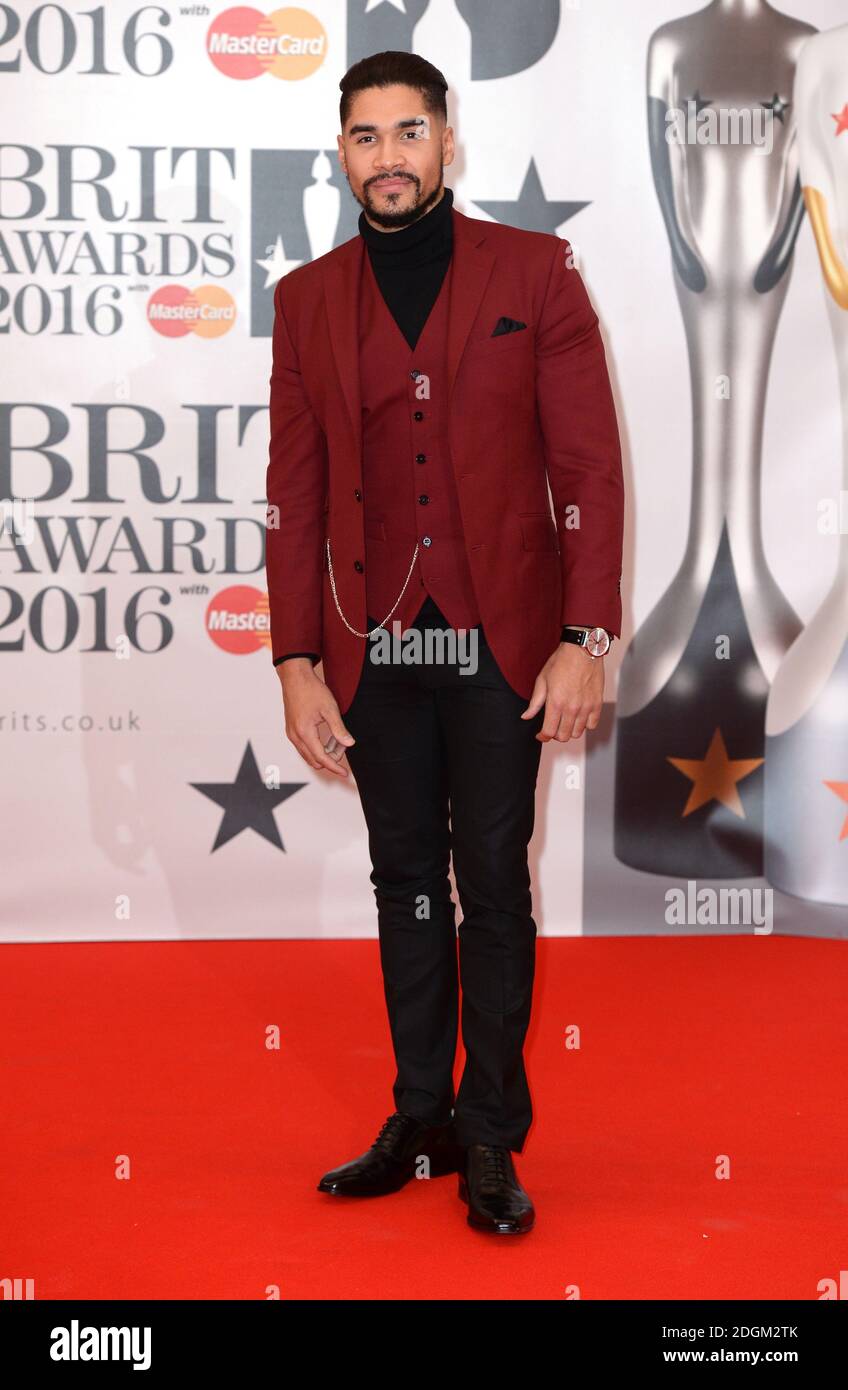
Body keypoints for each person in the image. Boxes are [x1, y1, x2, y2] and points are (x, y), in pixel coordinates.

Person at [265, 50, 624, 1235]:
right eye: (364, 138)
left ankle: (486, 1133)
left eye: (407, 133)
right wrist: (294, 658)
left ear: (446, 140)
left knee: (491, 885)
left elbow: (584, 465)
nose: (388, 157)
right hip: (374, 649)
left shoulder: (536, 270)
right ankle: (417, 1111)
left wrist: (585, 634)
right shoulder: (306, 299)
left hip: (500, 641)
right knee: (404, 880)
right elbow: (296, 490)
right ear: (341, 155)